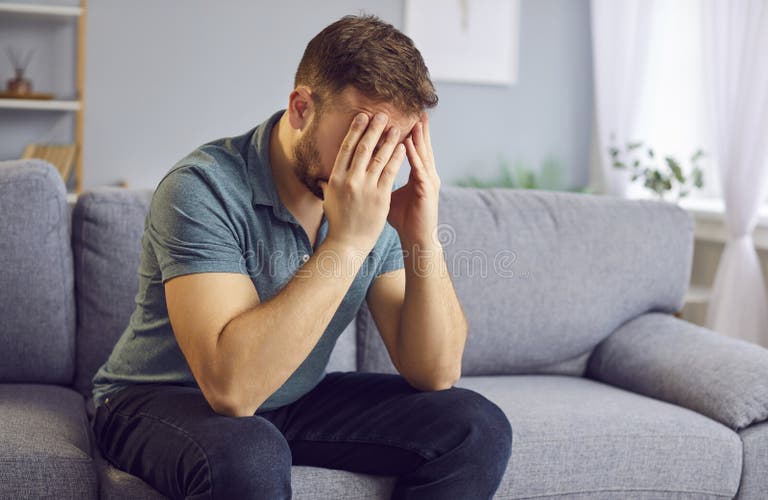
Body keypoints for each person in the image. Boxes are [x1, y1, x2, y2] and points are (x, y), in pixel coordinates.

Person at [91, 14, 512, 500]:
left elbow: (434, 371)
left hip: (287, 400)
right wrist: (347, 243)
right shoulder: (203, 187)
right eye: (360, 136)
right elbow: (232, 390)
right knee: (249, 451)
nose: (372, 164)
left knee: (475, 426)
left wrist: (422, 237)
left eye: (390, 143)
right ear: (300, 108)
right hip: (158, 398)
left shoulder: (372, 201)